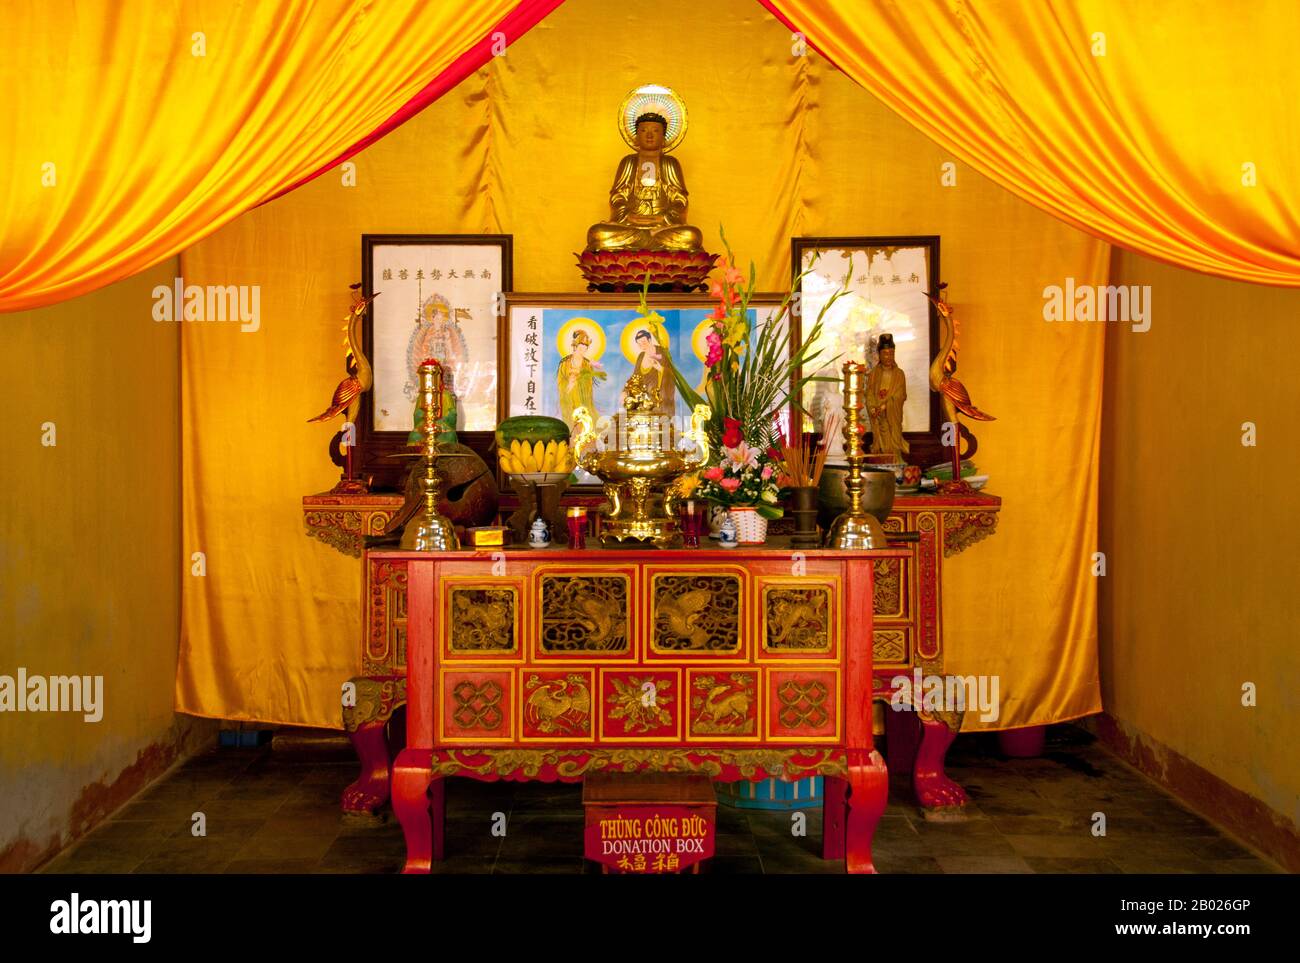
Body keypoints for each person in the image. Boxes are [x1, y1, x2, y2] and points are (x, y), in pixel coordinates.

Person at [586, 113, 703, 253]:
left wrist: (662, 218)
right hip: (630, 225)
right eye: (643, 131)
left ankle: (645, 242)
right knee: (597, 233)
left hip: (662, 226)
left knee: (691, 236)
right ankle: (648, 242)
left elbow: (680, 200)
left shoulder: (670, 164)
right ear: (635, 138)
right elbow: (617, 197)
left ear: (664, 139)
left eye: (655, 131)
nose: (649, 135)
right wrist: (628, 216)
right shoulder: (628, 162)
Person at [866, 333, 908, 457]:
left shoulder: (899, 374)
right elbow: (869, 393)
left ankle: (895, 460)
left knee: (894, 443)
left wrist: (886, 406)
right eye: (885, 353)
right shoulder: (873, 374)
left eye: (891, 353)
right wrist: (873, 407)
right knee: (879, 442)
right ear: (879, 354)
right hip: (878, 419)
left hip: (892, 417)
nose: (889, 357)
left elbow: (901, 395)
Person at [621, 328, 677, 418]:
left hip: (658, 396)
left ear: (650, 340)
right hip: (643, 397)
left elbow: (671, 374)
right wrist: (625, 391)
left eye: (643, 342)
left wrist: (660, 368)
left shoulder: (661, 352)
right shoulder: (641, 356)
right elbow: (635, 376)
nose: (642, 346)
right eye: (639, 344)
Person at [556, 329, 606, 426]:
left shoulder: (587, 364)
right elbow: (561, 384)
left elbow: (589, 387)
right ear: (575, 345)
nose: (583, 348)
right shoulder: (565, 363)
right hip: (569, 402)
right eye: (581, 344)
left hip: (583, 402)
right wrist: (569, 384)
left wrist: (579, 378)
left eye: (586, 345)